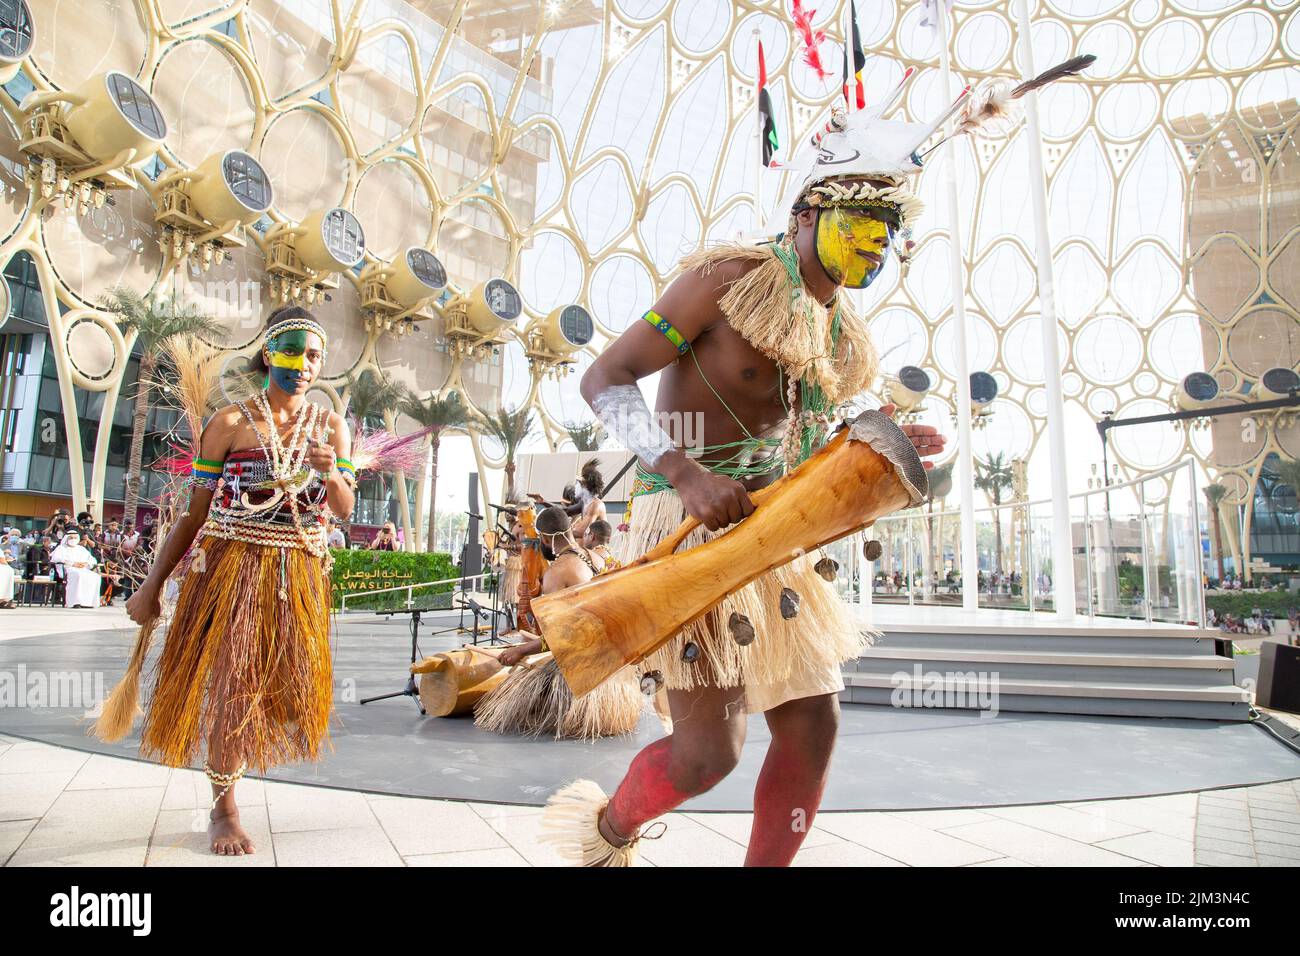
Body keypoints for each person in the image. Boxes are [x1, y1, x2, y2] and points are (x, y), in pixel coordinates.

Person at [537, 67, 1039, 865]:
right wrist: (686, 473)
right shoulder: (727, 279)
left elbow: (801, 442)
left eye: (888, 228)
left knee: (814, 725)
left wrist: (874, 449)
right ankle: (609, 834)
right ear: (809, 211)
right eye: (862, 220)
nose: (877, 241)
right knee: (709, 757)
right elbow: (604, 378)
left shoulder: (841, 330)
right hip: (690, 528)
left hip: (777, 534)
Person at [114, 306, 355, 856]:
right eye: (292, 351)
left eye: (314, 355)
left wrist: (328, 471)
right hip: (232, 572)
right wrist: (152, 586)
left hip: (299, 575)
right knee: (230, 688)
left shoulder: (329, 427)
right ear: (268, 353)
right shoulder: (227, 424)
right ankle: (223, 806)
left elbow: (342, 507)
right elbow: (192, 515)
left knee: (291, 698)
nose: (304, 365)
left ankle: (237, 770)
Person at [476, 506, 642, 739]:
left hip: (585, 671)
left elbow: (562, 637)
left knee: (514, 688)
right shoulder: (597, 556)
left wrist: (520, 650)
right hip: (613, 663)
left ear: (544, 538)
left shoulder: (556, 574)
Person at [50, 530, 100, 608]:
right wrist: (73, 564)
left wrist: (86, 564)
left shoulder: (81, 549)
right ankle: (75, 602)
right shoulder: (61, 548)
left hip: (83, 569)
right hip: (69, 569)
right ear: (66, 539)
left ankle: (87, 602)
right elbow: (56, 559)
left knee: (95, 576)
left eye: (75, 538)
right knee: (78, 575)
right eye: (71, 538)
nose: (73, 539)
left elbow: (92, 560)